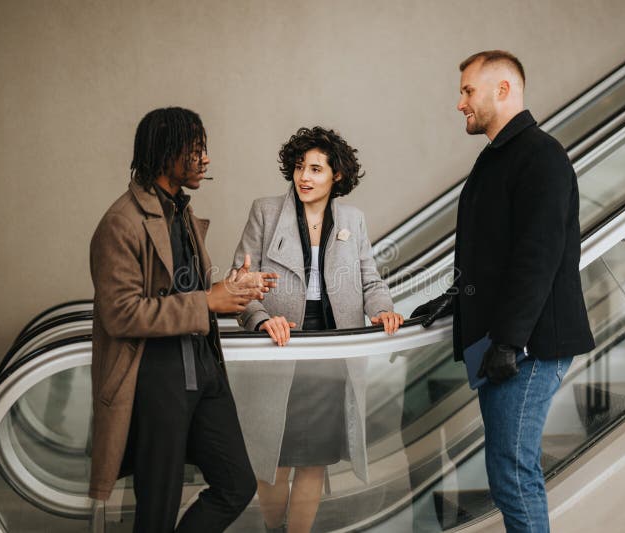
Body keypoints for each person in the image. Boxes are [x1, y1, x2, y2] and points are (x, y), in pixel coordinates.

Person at [413, 51, 595, 532]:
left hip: (528, 346)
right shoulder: (498, 158)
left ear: (503, 90)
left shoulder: (541, 155)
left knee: (513, 475)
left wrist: (510, 341)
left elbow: (538, 256)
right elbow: (492, 254)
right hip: (507, 342)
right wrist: (454, 297)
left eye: (468, 91)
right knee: (508, 473)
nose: (459, 103)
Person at [88, 107, 277, 532]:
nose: (205, 159)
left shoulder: (182, 213)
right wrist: (210, 301)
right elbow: (120, 314)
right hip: (158, 378)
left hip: (204, 370)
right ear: (165, 152)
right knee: (158, 507)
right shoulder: (121, 223)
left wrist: (234, 287)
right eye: (196, 150)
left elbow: (189, 289)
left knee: (236, 484)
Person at [229, 126, 404, 533]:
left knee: (314, 459)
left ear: (336, 175)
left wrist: (382, 310)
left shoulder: (353, 220)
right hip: (278, 346)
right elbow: (240, 284)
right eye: (298, 168)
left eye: (315, 169)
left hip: (330, 352)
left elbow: (370, 281)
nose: (304, 177)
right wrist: (261, 319)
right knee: (276, 459)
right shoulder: (265, 211)